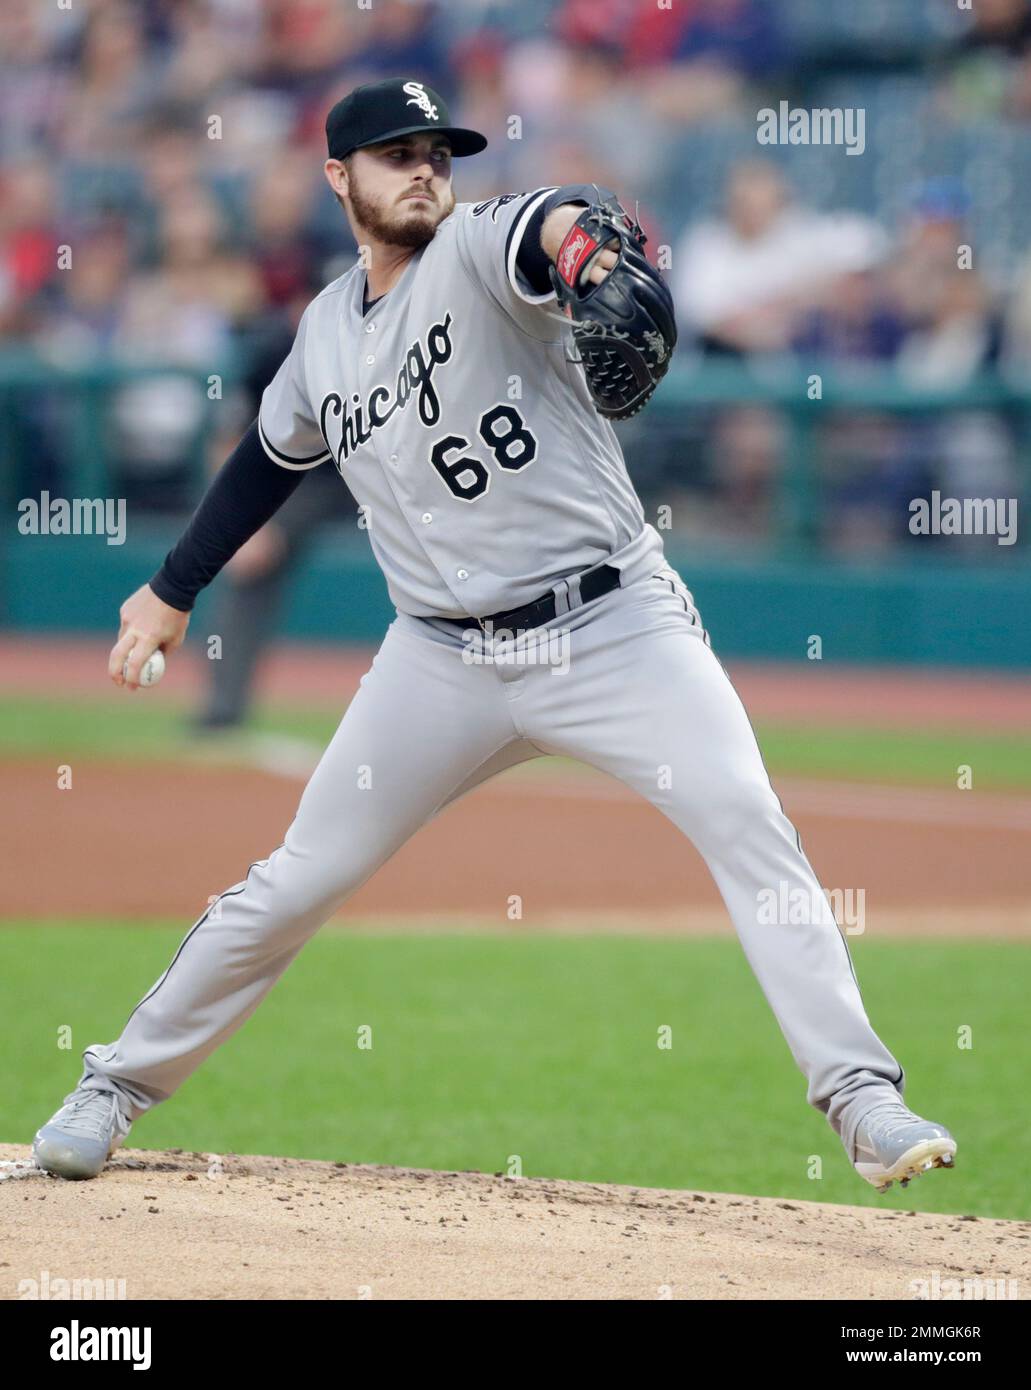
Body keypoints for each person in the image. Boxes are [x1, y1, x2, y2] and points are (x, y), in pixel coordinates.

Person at [33, 78, 956, 1197]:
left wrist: (587, 257)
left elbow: (550, 222)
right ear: (338, 178)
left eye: (437, 150)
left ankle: (860, 1096)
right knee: (296, 878)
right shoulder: (322, 335)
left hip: (614, 625)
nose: (424, 168)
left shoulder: (475, 249)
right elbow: (266, 461)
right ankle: (113, 1086)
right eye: (395, 153)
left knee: (745, 820)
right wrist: (171, 588)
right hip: (439, 661)